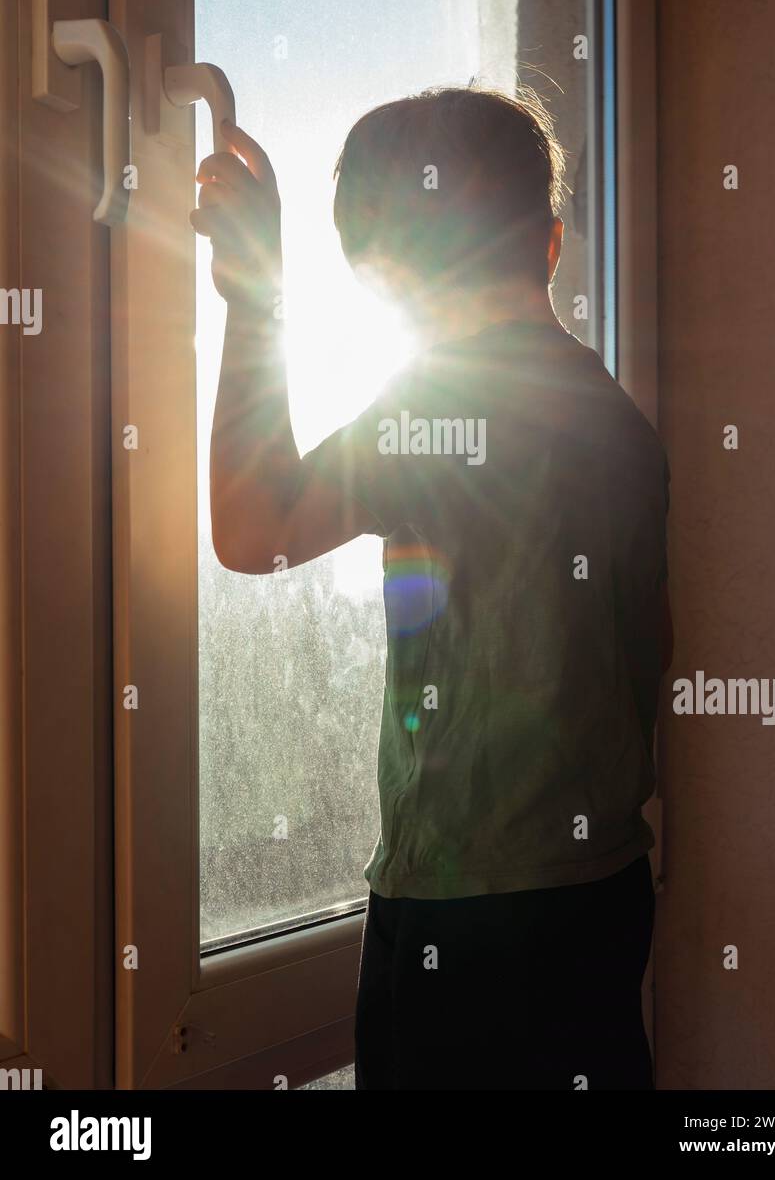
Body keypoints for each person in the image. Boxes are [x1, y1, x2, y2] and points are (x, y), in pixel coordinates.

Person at [192, 84, 673, 1091]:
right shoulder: (618, 421)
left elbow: (252, 527)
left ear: (387, 277)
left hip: (466, 907)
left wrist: (252, 296)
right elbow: (642, 654)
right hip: (604, 883)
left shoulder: (439, 407)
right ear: (547, 245)